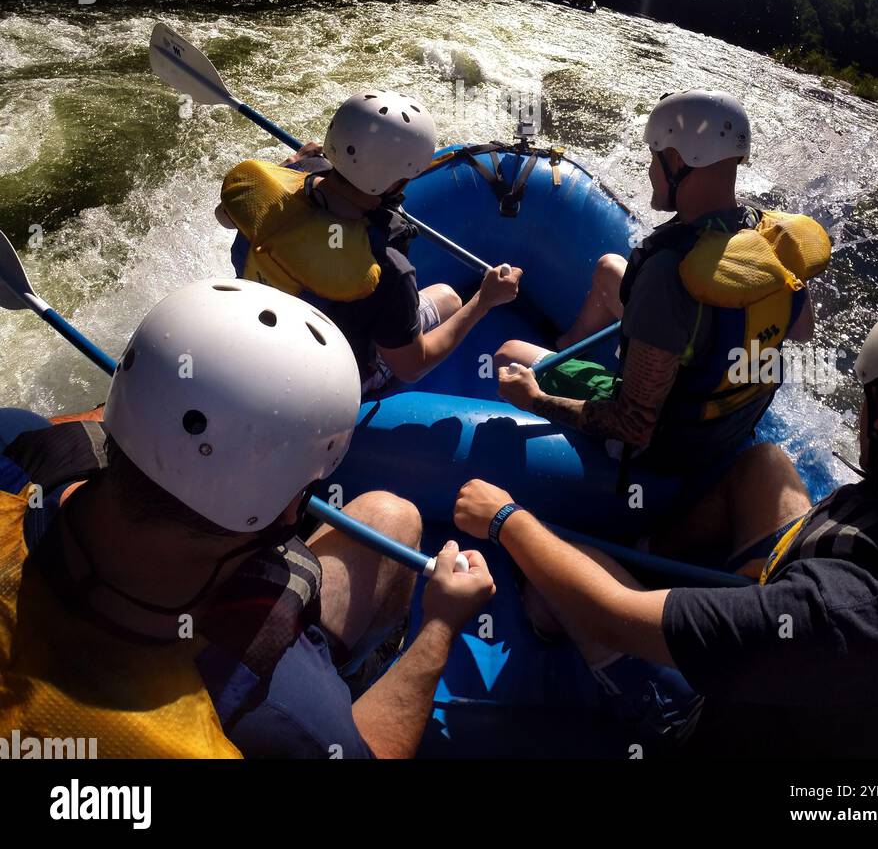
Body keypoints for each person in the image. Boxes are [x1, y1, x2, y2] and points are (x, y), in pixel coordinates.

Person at [456, 293, 878, 758]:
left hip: (709, 713)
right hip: (811, 639)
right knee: (765, 466)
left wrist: (505, 518)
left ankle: (562, 633)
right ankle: (648, 548)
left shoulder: (838, 615)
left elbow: (611, 616)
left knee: (568, 577)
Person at [0, 279, 495, 758]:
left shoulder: (16, 455)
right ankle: (357, 668)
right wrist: (439, 627)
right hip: (218, 686)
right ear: (288, 505)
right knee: (392, 518)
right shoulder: (290, 718)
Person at [493, 90, 829, 504]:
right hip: (729, 426)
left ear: (682, 162)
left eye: (656, 157)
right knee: (609, 269)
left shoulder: (668, 271)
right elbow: (801, 329)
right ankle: (564, 349)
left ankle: (553, 368)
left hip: (667, 448)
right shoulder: (767, 240)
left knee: (509, 355)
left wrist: (536, 399)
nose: (651, 169)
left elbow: (633, 426)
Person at [215, 91, 521, 394]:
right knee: (448, 298)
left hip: (253, 335)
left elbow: (225, 215)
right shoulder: (384, 265)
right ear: (398, 182)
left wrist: (291, 166)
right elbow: (412, 366)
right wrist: (484, 301)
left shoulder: (267, 189)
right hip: (319, 379)